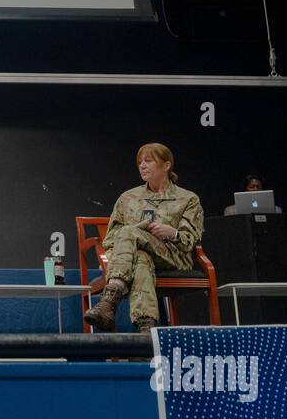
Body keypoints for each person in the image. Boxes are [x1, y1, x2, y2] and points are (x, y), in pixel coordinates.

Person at [84, 142, 204, 334]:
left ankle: (109, 300)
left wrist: (172, 233)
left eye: (148, 161)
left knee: (129, 232)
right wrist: (115, 255)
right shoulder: (128, 198)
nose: (142, 165)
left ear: (166, 165)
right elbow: (112, 237)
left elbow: (190, 240)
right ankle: (146, 328)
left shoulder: (188, 199)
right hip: (137, 258)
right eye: (140, 162)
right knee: (140, 258)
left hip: (173, 257)